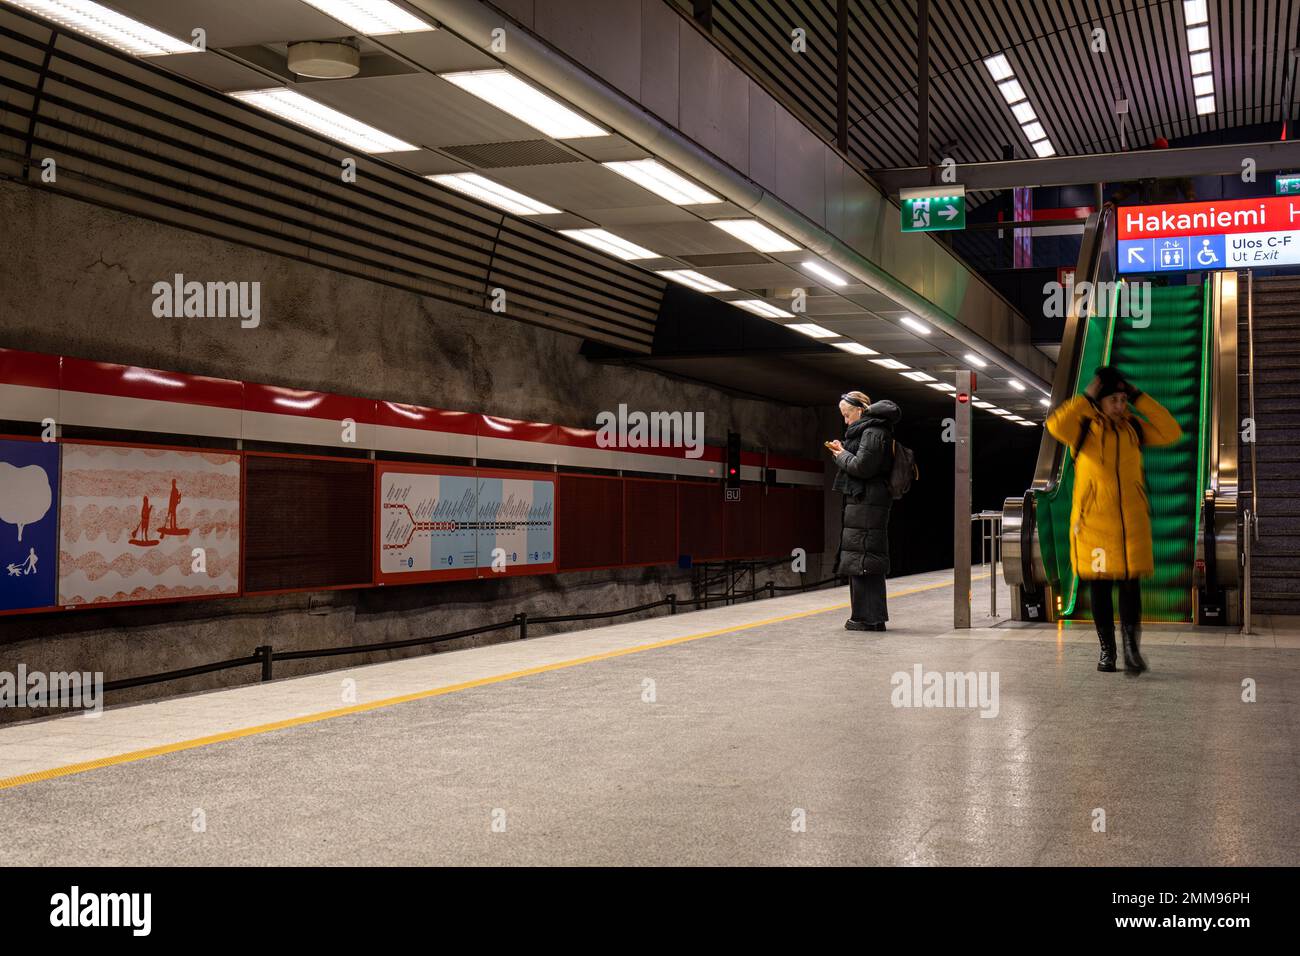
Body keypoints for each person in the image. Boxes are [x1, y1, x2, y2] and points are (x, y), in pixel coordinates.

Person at [1045, 366, 1183, 673]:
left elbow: (1171, 430)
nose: (1120, 406)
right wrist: (1088, 395)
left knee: (1131, 587)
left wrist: (1138, 396)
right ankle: (1107, 650)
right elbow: (1055, 425)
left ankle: (1132, 649)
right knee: (1100, 589)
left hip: (1131, 524)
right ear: (1100, 401)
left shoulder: (1133, 428)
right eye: (1114, 400)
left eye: (1123, 400)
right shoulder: (1081, 430)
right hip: (1094, 526)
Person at [827, 390, 901, 631]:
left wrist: (841, 455)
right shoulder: (870, 431)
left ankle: (868, 618)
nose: (846, 421)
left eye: (847, 415)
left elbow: (863, 466)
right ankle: (867, 616)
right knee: (861, 558)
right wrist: (844, 450)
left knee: (865, 559)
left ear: (860, 410)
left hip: (868, 502)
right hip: (864, 501)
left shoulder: (873, 431)